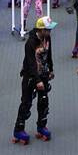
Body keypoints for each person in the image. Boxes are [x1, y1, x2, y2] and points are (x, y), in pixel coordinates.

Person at [13, 16, 56, 144]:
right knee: (26, 102)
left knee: (43, 101)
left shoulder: (47, 38)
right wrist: (37, 80)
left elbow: (49, 54)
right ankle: (18, 129)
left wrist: (51, 69)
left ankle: (41, 126)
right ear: (40, 29)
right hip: (31, 76)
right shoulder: (30, 43)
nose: (49, 32)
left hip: (43, 74)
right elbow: (31, 63)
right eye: (47, 30)